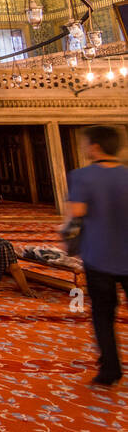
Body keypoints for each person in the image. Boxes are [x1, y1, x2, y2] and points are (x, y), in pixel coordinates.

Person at [64, 125, 128, 387]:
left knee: (103, 314)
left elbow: (76, 214)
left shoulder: (83, 176)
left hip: (99, 254)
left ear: (95, 147)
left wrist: (68, 239)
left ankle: (110, 369)